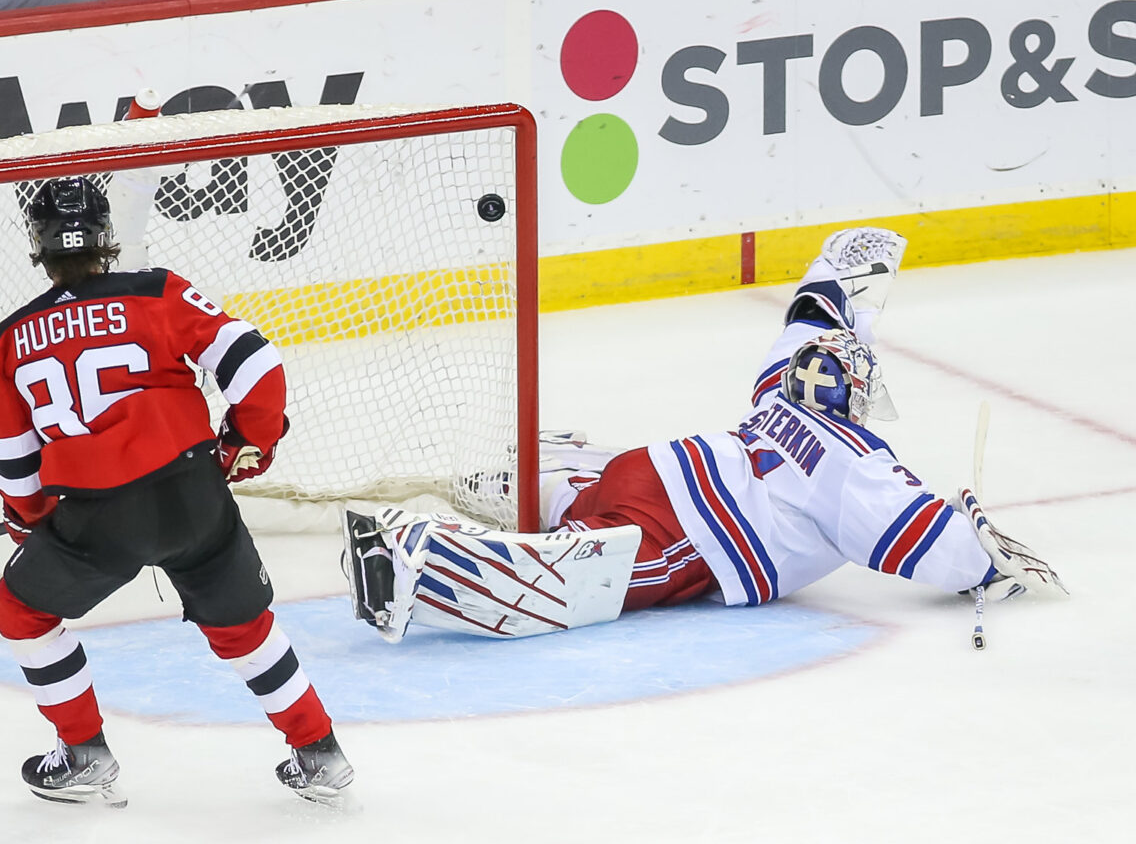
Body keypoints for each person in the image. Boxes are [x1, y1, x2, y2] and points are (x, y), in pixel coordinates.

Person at [343, 227, 1065, 641]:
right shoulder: (854, 460)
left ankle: (535, 474)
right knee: (579, 576)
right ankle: (416, 555)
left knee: (596, 494)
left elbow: (811, 315)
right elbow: (930, 543)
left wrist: (840, 277)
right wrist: (986, 559)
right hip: (692, 535)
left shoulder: (777, 390)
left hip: (653, 466)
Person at [0, 175, 353, 805]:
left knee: (20, 614)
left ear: (38, 246)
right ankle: (320, 752)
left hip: (99, 519)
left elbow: (14, 465)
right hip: (193, 494)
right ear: (105, 238)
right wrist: (244, 440)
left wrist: (31, 518)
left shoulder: (6, 342)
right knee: (243, 627)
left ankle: (84, 752)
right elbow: (257, 363)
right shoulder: (157, 290)